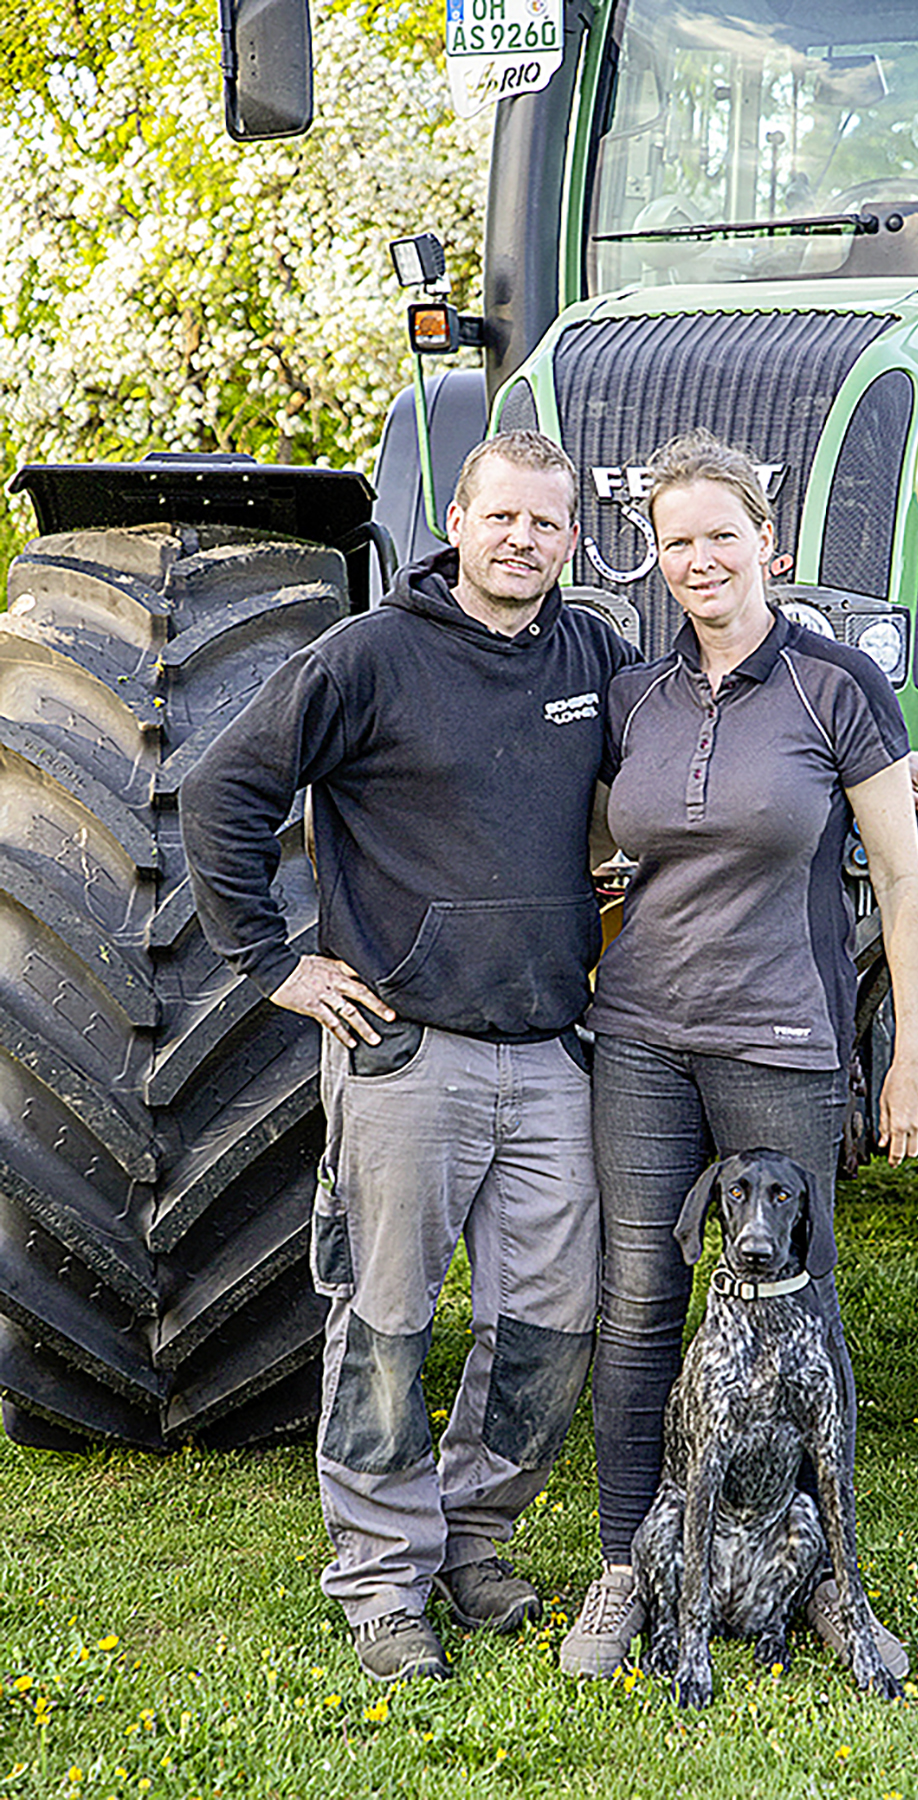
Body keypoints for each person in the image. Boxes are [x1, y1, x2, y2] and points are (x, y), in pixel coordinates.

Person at [179, 430, 640, 1685]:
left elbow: (715, 729)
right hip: (405, 1054)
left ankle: (470, 1538)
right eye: (502, 518)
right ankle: (383, 1581)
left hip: (551, 1051)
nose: (522, 541)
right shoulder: (372, 654)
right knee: (383, 1328)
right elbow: (226, 788)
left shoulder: (594, 654)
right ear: (459, 517)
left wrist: (879, 754)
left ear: (572, 540)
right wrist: (272, 961)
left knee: (548, 1328)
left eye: (546, 524)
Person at [559, 428, 918, 1682]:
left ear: (767, 543)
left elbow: (899, 877)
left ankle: (832, 1580)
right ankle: (629, 1568)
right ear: (650, 557)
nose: (698, 559)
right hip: (644, 1039)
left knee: (799, 1304)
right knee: (637, 1298)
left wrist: (915, 1056)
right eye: (674, 541)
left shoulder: (837, 688)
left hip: (782, 1040)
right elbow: (576, 836)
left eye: (721, 535)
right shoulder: (635, 696)